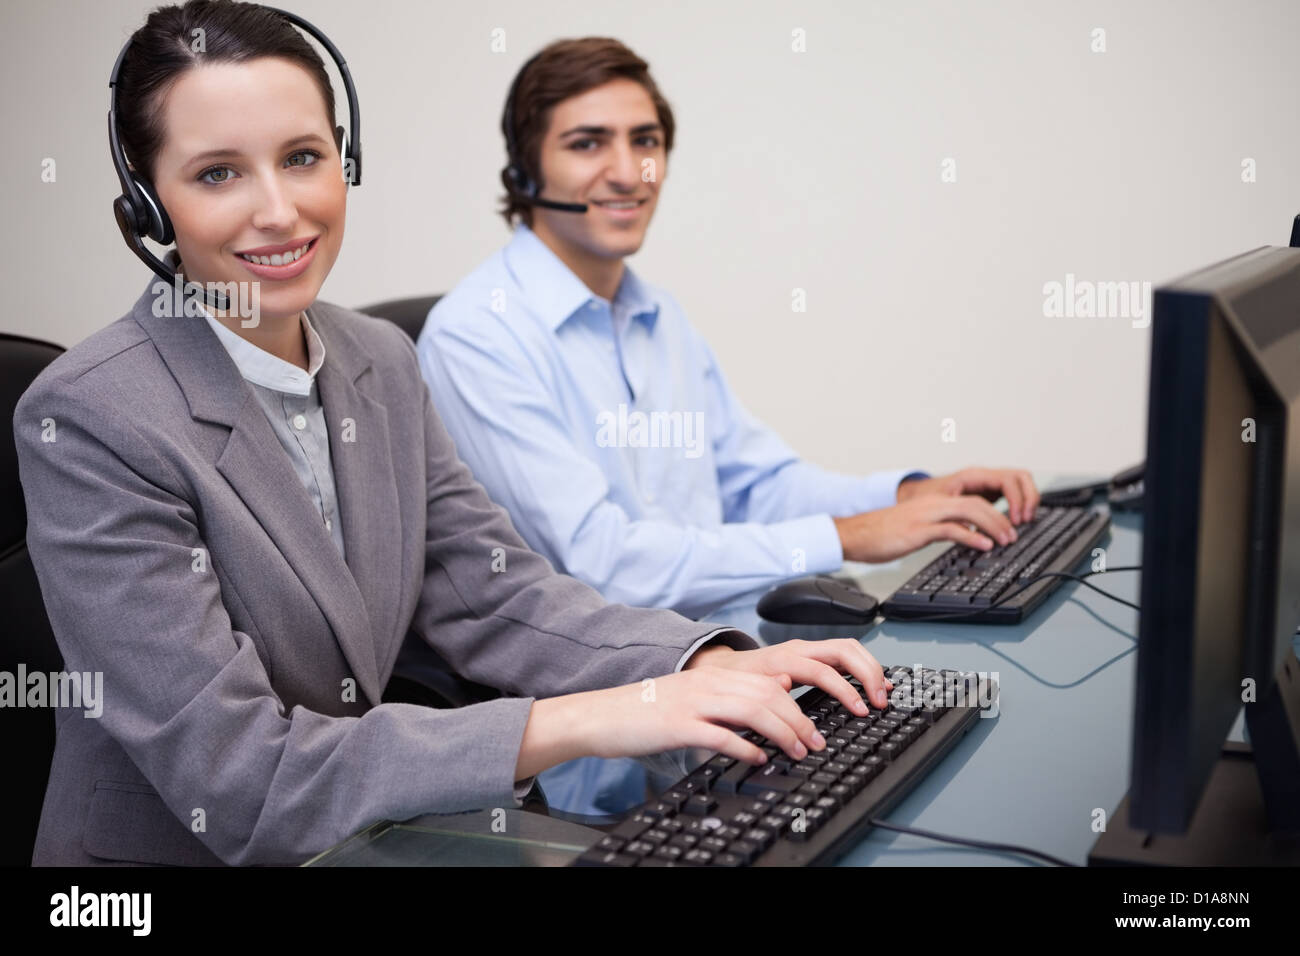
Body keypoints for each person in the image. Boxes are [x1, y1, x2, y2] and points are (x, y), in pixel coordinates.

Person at [14, 0, 892, 867]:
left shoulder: (380, 362)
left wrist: (696, 662)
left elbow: (496, 592)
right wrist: (593, 717)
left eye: (303, 157)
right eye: (217, 174)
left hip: (367, 834)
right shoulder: (94, 419)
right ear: (148, 207)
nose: (279, 210)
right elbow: (245, 778)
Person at [417, 37, 1041, 814]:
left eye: (645, 142)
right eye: (587, 143)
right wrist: (850, 536)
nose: (627, 170)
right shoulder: (478, 334)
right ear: (524, 173)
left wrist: (911, 495)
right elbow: (604, 564)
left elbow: (758, 480)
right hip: (624, 750)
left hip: (750, 680)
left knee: (988, 748)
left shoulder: (654, 313)